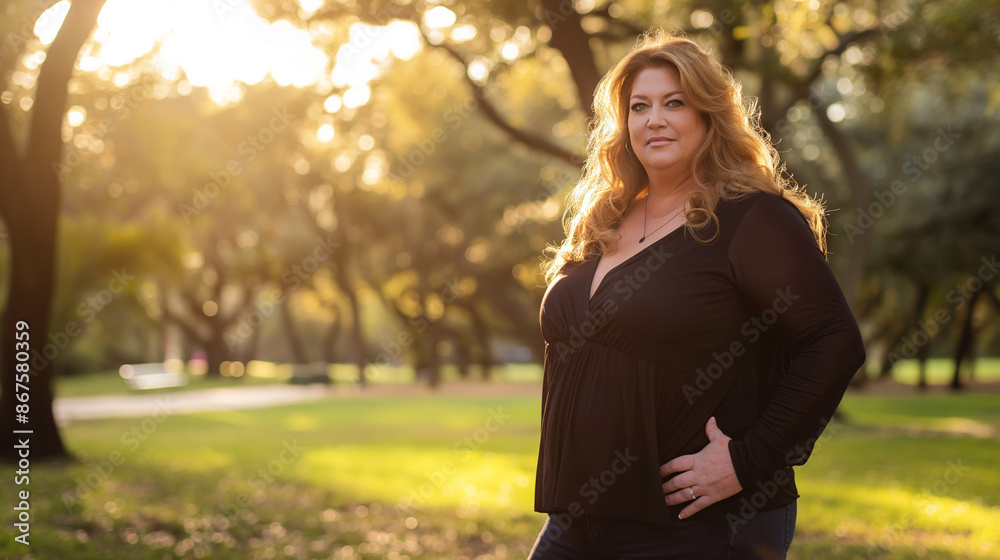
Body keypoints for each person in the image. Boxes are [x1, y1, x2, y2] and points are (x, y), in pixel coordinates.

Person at [528, 27, 866, 560]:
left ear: (709, 115)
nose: (653, 118)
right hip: (577, 519)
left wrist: (749, 460)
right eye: (639, 106)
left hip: (697, 523)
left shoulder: (751, 220)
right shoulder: (604, 220)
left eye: (674, 103)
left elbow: (833, 342)